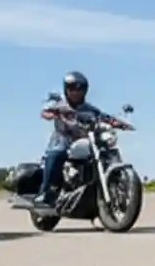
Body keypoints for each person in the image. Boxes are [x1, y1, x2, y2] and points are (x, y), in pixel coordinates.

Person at [33, 71, 131, 213]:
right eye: (72, 88)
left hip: (84, 141)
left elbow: (105, 117)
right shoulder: (59, 104)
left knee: (105, 152)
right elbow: (45, 112)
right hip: (63, 139)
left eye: (80, 88)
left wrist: (120, 124)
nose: (76, 92)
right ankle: (45, 193)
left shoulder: (90, 109)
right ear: (66, 89)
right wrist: (53, 114)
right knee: (56, 153)